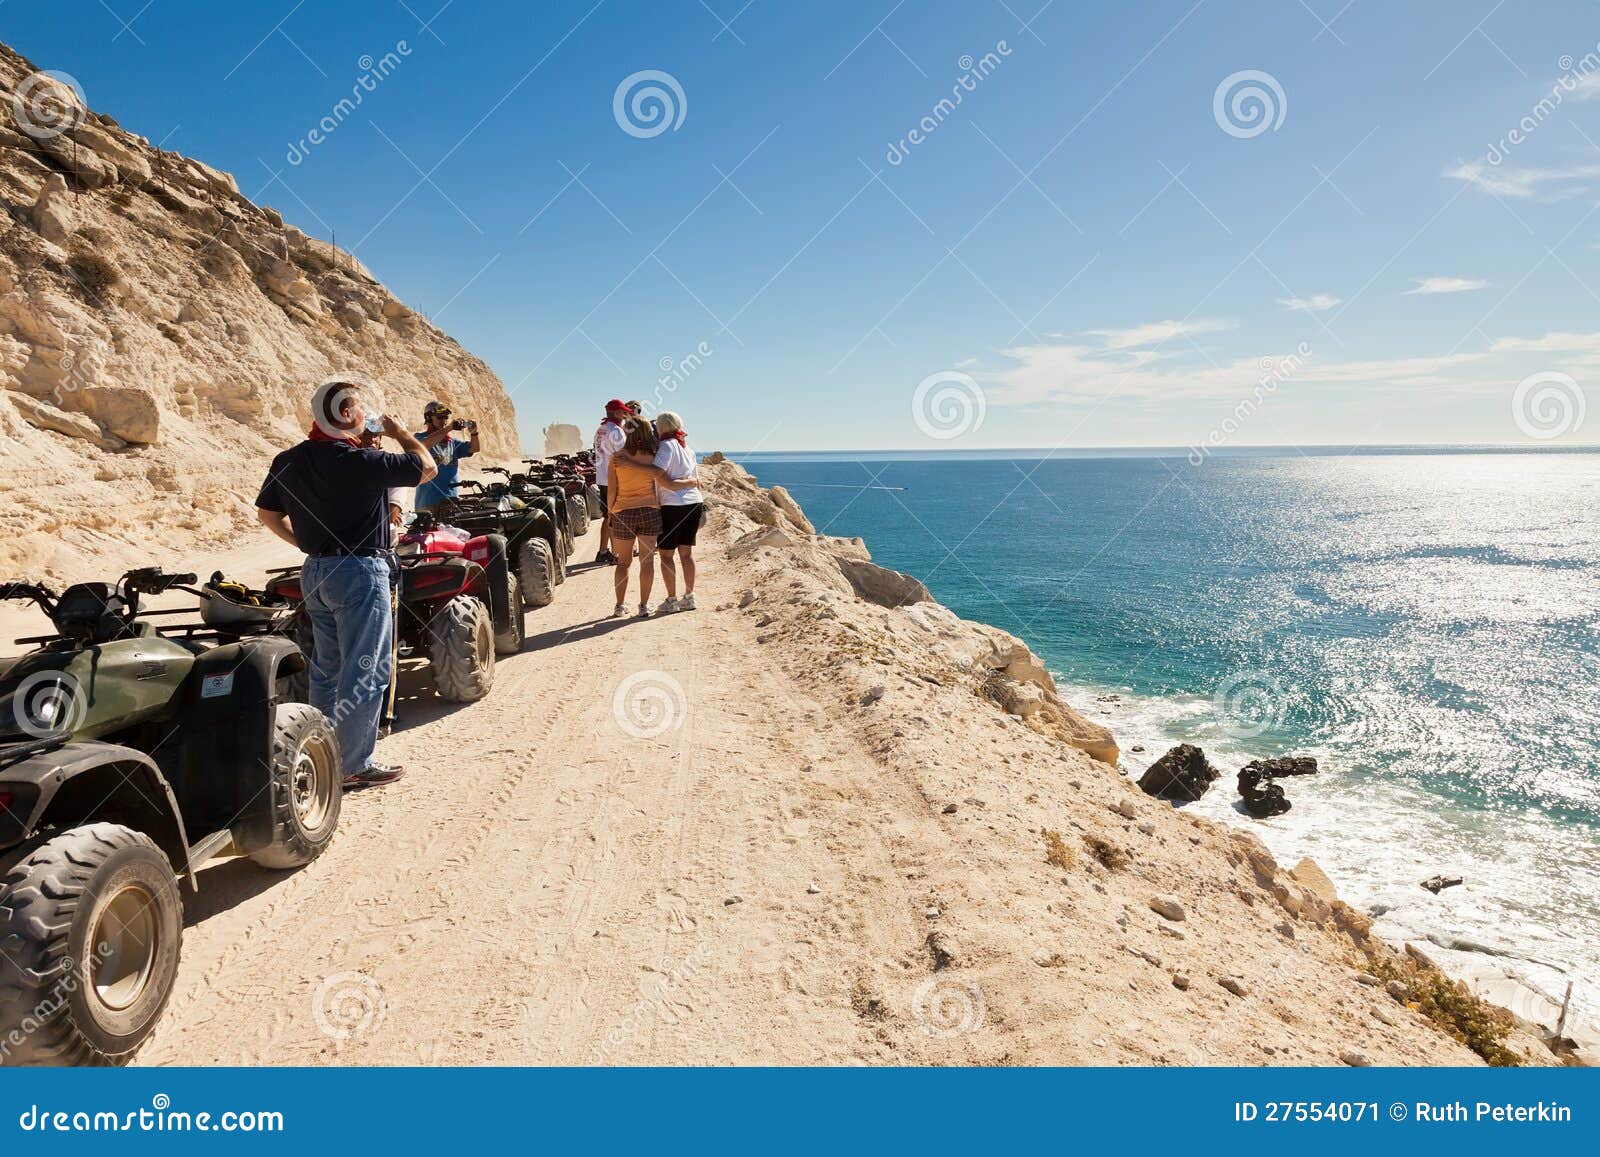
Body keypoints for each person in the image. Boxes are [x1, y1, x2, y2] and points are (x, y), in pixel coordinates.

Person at [255, 382, 436, 789]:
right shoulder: (364, 460)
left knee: (327, 670)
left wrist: (303, 543)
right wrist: (400, 432)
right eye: (358, 407)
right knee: (367, 669)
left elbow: (268, 514)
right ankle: (354, 763)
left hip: (316, 572)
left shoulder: (289, 460)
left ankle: (324, 753)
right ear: (347, 414)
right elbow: (426, 466)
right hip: (359, 571)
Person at [607, 418, 699, 617]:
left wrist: (610, 513)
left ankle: (620, 606)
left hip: (623, 511)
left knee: (623, 563)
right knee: (647, 562)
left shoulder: (617, 458)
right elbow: (660, 482)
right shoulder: (653, 456)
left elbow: (612, 490)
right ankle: (643, 606)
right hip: (650, 512)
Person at [651, 411, 702, 613]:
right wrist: (688, 483)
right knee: (687, 553)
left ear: (661, 427)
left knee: (666, 555)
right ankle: (689, 597)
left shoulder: (666, 446)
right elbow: (696, 480)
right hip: (693, 503)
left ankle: (671, 601)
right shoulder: (686, 447)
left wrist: (671, 484)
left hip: (673, 505)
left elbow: (658, 474)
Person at [412, 400, 479, 515]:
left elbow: (474, 448)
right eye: (440, 417)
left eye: (445, 417)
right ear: (429, 418)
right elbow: (425, 444)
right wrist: (449, 427)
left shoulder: (452, 442)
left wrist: (474, 433)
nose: (444, 421)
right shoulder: (419, 438)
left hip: (451, 501)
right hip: (427, 503)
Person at [591, 399, 629, 565]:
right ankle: (616, 553)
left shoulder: (600, 429)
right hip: (614, 479)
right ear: (615, 413)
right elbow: (623, 457)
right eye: (623, 411)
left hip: (602, 477)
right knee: (615, 517)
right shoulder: (617, 431)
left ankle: (602, 550)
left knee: (607, 517)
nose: (625, 414)